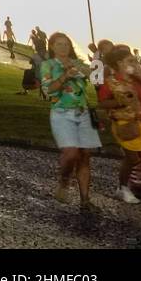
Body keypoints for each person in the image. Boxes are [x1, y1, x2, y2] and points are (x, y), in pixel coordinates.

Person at [41, 32, 102, 209]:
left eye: (66, 44)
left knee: (84, 156)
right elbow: (49, 91)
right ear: (51, 46)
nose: (63, 47)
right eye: (59, 44)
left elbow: (97, 78)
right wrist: (65, 76)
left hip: (82, 113)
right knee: (71, 153)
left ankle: (85, 199)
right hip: (61, 113)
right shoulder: (48, 65)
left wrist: (94, 68)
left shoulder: (78, 64)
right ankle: (64, 181)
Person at [96, 45, 141, 203]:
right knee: (133, 159)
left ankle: (135, 187)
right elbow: (102, 103)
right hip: (125, 124)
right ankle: (122, 188)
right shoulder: (111, 82)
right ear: (119, 63)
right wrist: (119, 101)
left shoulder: (136, 79)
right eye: (130, 60)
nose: (135, 63)